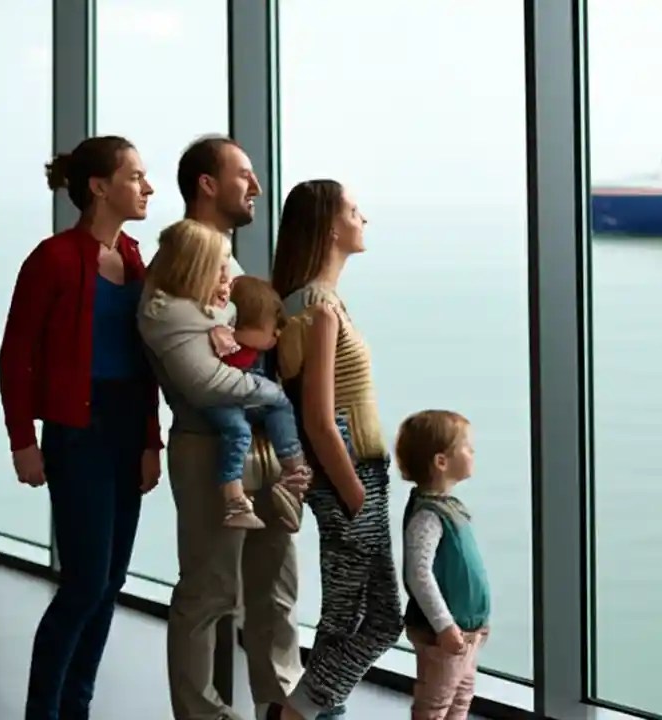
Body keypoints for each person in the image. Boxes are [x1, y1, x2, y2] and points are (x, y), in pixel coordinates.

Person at [138, 135, 309, 720]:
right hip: (210, 447)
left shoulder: (227, 265)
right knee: (209, 596)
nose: (256, 187)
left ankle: (282, 706)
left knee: (276, 593)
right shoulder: (179, 265)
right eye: (244, 174)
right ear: (208, 184)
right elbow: (195, 377)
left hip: (257, 445)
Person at [0, 135, 163, 720]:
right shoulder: (53, 258)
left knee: (109, 585)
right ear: (100, 187)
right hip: (77, 431)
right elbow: (14, 356)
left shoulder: (139, 259)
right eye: (136, 176)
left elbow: (147, 361)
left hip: (126, 431)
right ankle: (42, 712)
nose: (147, 187)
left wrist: (151, 441)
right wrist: (22, 441)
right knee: (85, 584)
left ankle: (77, 709)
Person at [273, 179, 403, 720]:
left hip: (352, 475)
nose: (363, 218)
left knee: (345, 614)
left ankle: (320, 711)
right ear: (330, 226)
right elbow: (319, 420)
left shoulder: (313, 303)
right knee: (381, 619)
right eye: (354, 210)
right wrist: (353, 492)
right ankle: (297, 713)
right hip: (349, 476)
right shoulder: (318, 310)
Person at [394, 410, 491, 720]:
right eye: (466, 446)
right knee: (434, 705)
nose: (472, 452)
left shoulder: (448, 507)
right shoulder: (428, 515)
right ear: (441, 461)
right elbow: (418, 574)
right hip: (445, 634)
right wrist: (444, 625)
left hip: (465, 630)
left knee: (460, 697)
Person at [204, 273, 310, 531]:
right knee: (238, 432)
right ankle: (234, 497)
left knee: (280, 409)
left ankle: (293, 469)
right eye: (271, 326)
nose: (276, 334)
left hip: (247, 402)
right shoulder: (220, 341)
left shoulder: (261, 353)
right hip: (224, 403)